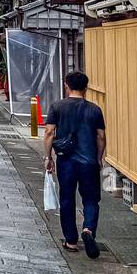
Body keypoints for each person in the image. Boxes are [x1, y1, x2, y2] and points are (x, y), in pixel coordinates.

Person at [44, 71, 107, 257]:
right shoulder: (95, 109)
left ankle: (71, 241)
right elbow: (101, 136)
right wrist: (98, 157)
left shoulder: (57, 107)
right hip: (88, 162)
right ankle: (88, 229)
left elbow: (48, 133)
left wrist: (48, 158)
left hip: (66, 161)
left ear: (66, 85)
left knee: (67, 199)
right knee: (90, 198)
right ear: (86, 88)